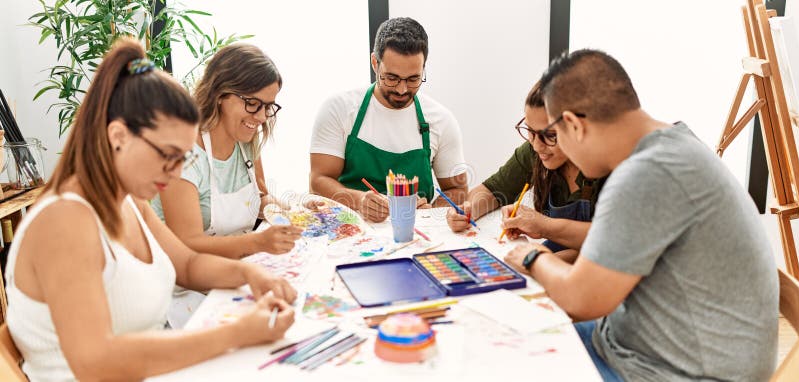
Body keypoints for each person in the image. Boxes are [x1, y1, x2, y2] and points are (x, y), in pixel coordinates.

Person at [5, 38, 296, 381]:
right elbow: (95, 362)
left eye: (184, 157)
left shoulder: (130, 202)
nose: (176, 173)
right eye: (168, 155)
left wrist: (251, 275)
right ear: (118, 136)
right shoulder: (65, 220)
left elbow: (187, 264)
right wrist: (236, 334)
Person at [503, 49, 778, 381]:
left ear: (574, 125)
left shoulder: (648, 174)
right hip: (640, 345)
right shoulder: (673, 145)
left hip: (675, 371)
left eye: (555, 134)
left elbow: (580, 298)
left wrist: (533, 256)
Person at [310, 17, 468, 223]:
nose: (402, 90)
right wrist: (358, 200)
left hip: (414, 234)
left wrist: (430, 210)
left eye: (413, 79)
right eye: (391, 78)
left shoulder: (441, 120)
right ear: (375, 63)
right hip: (351, 230)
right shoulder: (338, 109)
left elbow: (457, 189)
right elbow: (318, 180)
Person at [153, 44, 303, 260]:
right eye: (253, 104)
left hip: (233, 265)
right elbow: (187, 243)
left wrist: (294, 212)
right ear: (220, 94)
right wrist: (256, 242)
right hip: (185, 280)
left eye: (268, 107)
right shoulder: (183, 154)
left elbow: (259, 198)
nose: (261, 117)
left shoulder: (247, 141)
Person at [446, 82, 606, 253]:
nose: (537, 146)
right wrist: (468, 210)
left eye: (549, 135)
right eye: (530, 131)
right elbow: (493, 190)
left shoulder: (605, 165)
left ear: (577, 127)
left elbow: (609, 241)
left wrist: (543, 227)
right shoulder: (536, 153)